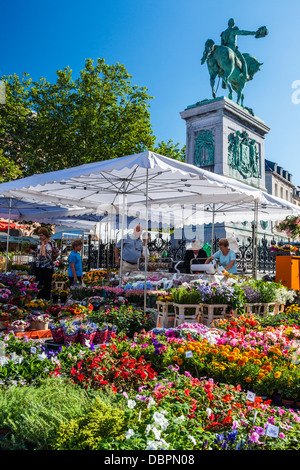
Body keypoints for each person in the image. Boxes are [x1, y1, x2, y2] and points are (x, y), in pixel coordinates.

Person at [35, 227, 59, 300]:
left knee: (47, 283)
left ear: (46, 234)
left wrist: (54, 256)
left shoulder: (52, 242)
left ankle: (47, 298)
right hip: (39, 265)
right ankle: (39, 298)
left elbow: (57, 252)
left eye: (42, 235)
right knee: (39, 282)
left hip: (49, 265)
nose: (41, 237)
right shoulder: (39, 242)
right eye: (40, 235)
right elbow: (38, 253)